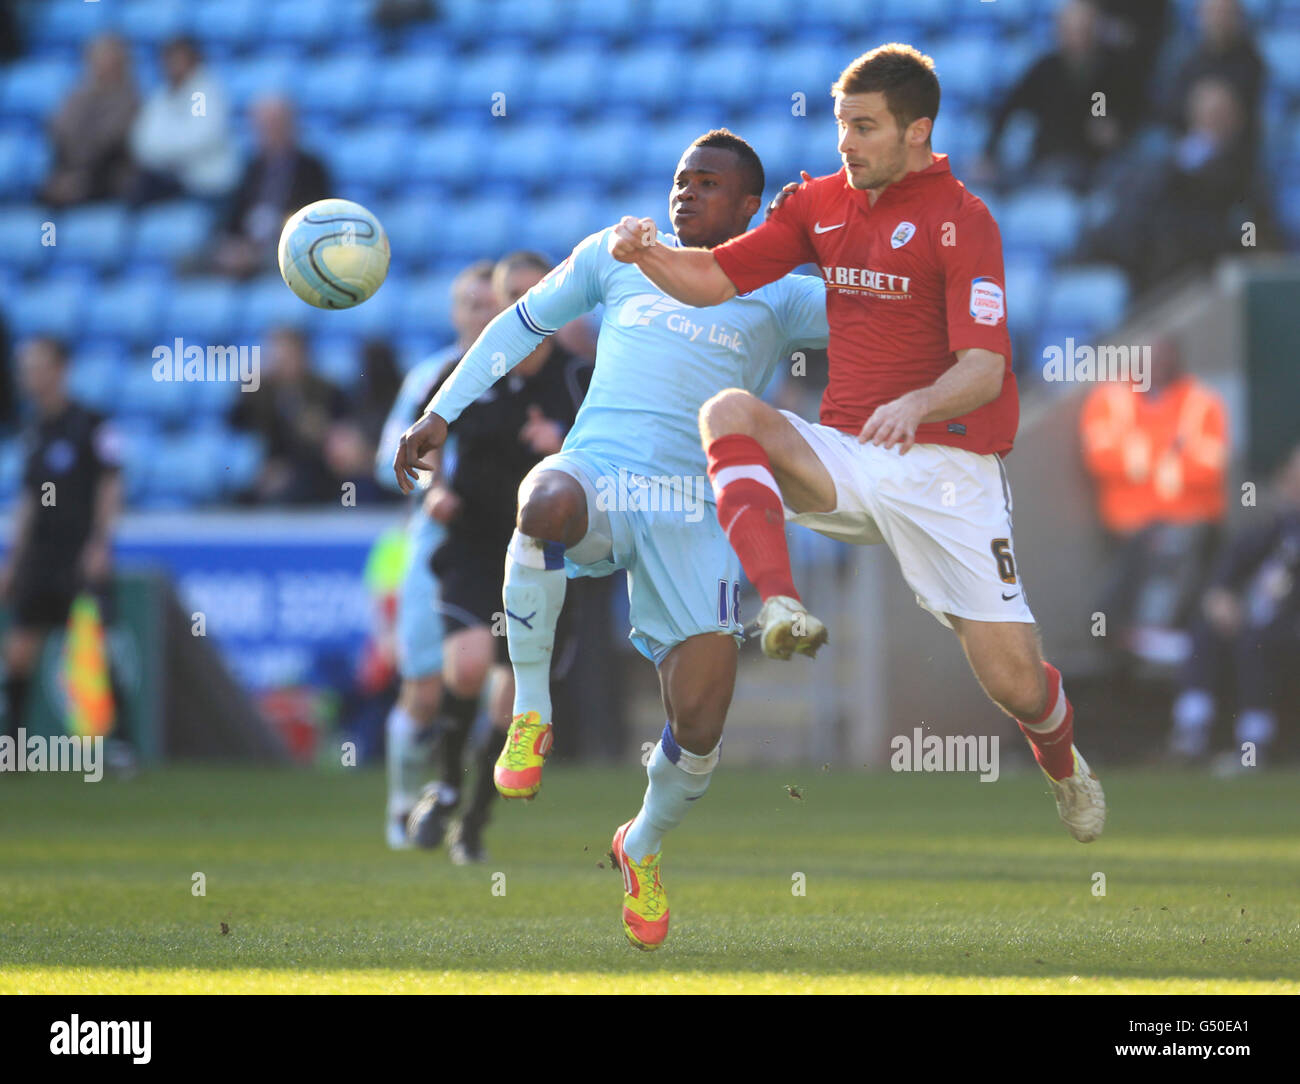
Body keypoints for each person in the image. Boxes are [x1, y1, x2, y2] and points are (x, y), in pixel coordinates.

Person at [609, 45, 1107, 847]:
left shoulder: (964, 221)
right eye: (842, 124)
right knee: (731, 412)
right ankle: (780, 600)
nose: (846, 142)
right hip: (847, 452)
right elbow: (714, 279)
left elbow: (983, 369)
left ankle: (1065, 767)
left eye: (865, 127)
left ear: (919, 131)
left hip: (948, 470)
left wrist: (917, 402)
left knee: (1015, 684)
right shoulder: (819, 204)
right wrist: (647, 256)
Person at [394, 130, 829, 948]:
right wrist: (441, 411)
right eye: (679, 179)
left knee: (699, 723)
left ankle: (643, 844)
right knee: (545, 500)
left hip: (697, 516)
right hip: (603, 478)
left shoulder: (782, 294)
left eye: (708, 184)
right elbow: (517, 325)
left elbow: (884, 328)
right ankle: (530, 712)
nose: (685, 193)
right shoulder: (619, 254)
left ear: (748, 206)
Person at [399, 252, 589, 865]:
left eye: (538, 293)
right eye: (513, 295)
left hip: (545, 555)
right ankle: (445, 785)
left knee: (509, 706)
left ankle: (473, 821)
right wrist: (436, 490)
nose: (525, 306)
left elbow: (619, 458)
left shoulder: (581, 379)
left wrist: (563, 446)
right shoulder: (469, 370)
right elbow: (426, 440)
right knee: (467, 666)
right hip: (477, 545)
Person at [372, 260, 498, 851]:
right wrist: (433, 489)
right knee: (426, 688)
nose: (483, 313)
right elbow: (388, 457)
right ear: (455, 313)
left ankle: (463, 810)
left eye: (491, 302)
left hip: (508, 547)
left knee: (491, 689)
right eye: (471, 303)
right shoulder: (434, 373)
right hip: (439, 546)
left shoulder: (522, 371)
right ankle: (403, 805)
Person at [1, 338, 123, 741]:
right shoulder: (34, 429)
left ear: (60, 369)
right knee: (19, 650)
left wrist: (100, 543)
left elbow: (111, 485)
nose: (29, 376)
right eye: (25, 367)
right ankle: (14, 745)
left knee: (94, 649)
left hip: (78, 550)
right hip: (40, 554)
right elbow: (29, 500)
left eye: (37, 366)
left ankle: (122, 744)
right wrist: (14, 561)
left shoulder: (91, 424)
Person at [1081, 338, 1229, 662]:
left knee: (1171, 543)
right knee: (1144, 551)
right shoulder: (1111, 398)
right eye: (1149, 358)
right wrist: (1169, 450)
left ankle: (1155, 631)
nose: (1157, 365)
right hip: (1128, 522)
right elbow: (1102, 459)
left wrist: (1140, 453)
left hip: (1189, 519)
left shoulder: (1202, 401)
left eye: (1165, 357)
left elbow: (1210, 466)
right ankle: (1127, 633)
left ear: (1178, 359)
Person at [1169, 445, 1300, 767]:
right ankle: (1192, 728)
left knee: (1257, 638)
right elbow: (1228, 570)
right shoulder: (1269, 527)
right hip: (1254, 618)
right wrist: (1219, 597)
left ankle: (1253, 744)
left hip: (1284, 626)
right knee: (1207, 626)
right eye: (1291, 476)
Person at [976, 0, 1134, 189]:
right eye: (1070, 29)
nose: (1076, 37)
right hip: (1048, 159)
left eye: (1083, 29)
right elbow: (1009, 109)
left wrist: (1110, 126)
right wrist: (989, 153)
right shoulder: (1045, 70)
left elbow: (1104, 109)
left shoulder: (1109, 70)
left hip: (1096, 165)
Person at [207, 97, 331, 279]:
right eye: (263, 126)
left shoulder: (311, 168)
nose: (269, 131)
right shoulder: (252, 168)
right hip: (247, 244)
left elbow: (315, 218)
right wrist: (234, 244)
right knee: (192, 259)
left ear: (291, 125)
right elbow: (234, 214)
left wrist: (262, 247)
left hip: (287, 247)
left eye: (275, 124)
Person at [227, 326, 349, 504]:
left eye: (287, 355)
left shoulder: (326, 391)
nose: (280, 361)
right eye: (276, 354)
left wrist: (321, 430)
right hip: (271, 468)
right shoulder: (261, 392)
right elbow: (235, 421)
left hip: (317, 472)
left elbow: (340, 434)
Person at [128, 36, 239, 205]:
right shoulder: (161, 95)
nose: (173, 66)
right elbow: (142, 142)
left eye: (179, 60)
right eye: (169, 60)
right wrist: (168, 151)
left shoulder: (200, 94)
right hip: (173, 178)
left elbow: (199, 139)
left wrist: (163, 150)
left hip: (207, 183)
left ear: (193, 61)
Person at [41, 34, 139, 207]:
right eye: (97, 58)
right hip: (71, 171)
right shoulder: (76, 96)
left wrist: (79, 178)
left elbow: (109, 142)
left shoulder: (130, 99)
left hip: (108, 177)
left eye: (107, 59)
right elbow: (59, 131)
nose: (101, 65)